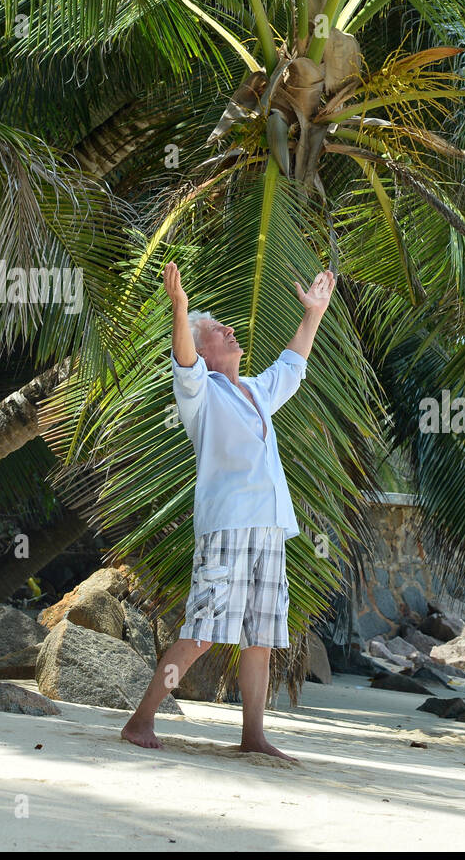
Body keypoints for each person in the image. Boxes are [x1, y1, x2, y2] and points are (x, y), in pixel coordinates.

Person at [120, 261, 336, 763]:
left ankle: (253, 735)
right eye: (219, 330)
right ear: (204, 349)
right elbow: (185, 357)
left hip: (269, 528)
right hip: (227, 530)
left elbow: (293, 365)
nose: (232, 330)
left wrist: (314, 314)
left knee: (260, 639)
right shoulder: (200, 395)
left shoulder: (256, 390)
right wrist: (180, 309)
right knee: (201, 633)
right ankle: (142, 716)